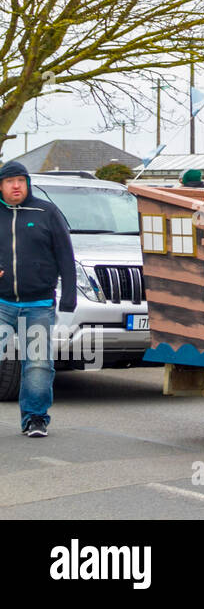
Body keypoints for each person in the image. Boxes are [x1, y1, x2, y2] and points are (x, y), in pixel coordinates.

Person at [0, 161, 77, 437]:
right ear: (1, 185)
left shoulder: (46, 212)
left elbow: (66, 257)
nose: (16, 186)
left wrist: (68, 299)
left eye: (21, 180)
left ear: (28, 183)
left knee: (37, 363)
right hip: (2, 302)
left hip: (39, 304)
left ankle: (35, 418)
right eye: (10, 181)